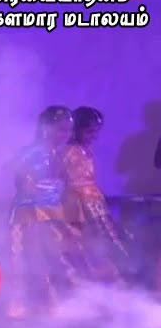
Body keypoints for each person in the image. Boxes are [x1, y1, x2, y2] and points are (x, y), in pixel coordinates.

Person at [7, 106, 79, 316]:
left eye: (68, 131)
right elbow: (12, 167)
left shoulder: (58, 153)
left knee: (56, 254)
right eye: (60, 130)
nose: (64, 135)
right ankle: (21, 304)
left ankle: (51, 301)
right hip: (29, 211)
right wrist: (27, 180)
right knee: (28, 256)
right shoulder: (33, 151)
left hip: (51, 210)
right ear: (45, 128)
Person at [60, 106, 130, 283]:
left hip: (93, 200)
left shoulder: (86, 151)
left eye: (96, 132)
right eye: (90, 132)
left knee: (105, 239)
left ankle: (110, 280)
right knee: (84, 242)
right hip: (77, 204)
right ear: (76, 129)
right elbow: (61, 177)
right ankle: (84, 281)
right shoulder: (69, 152)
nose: (94, 136)